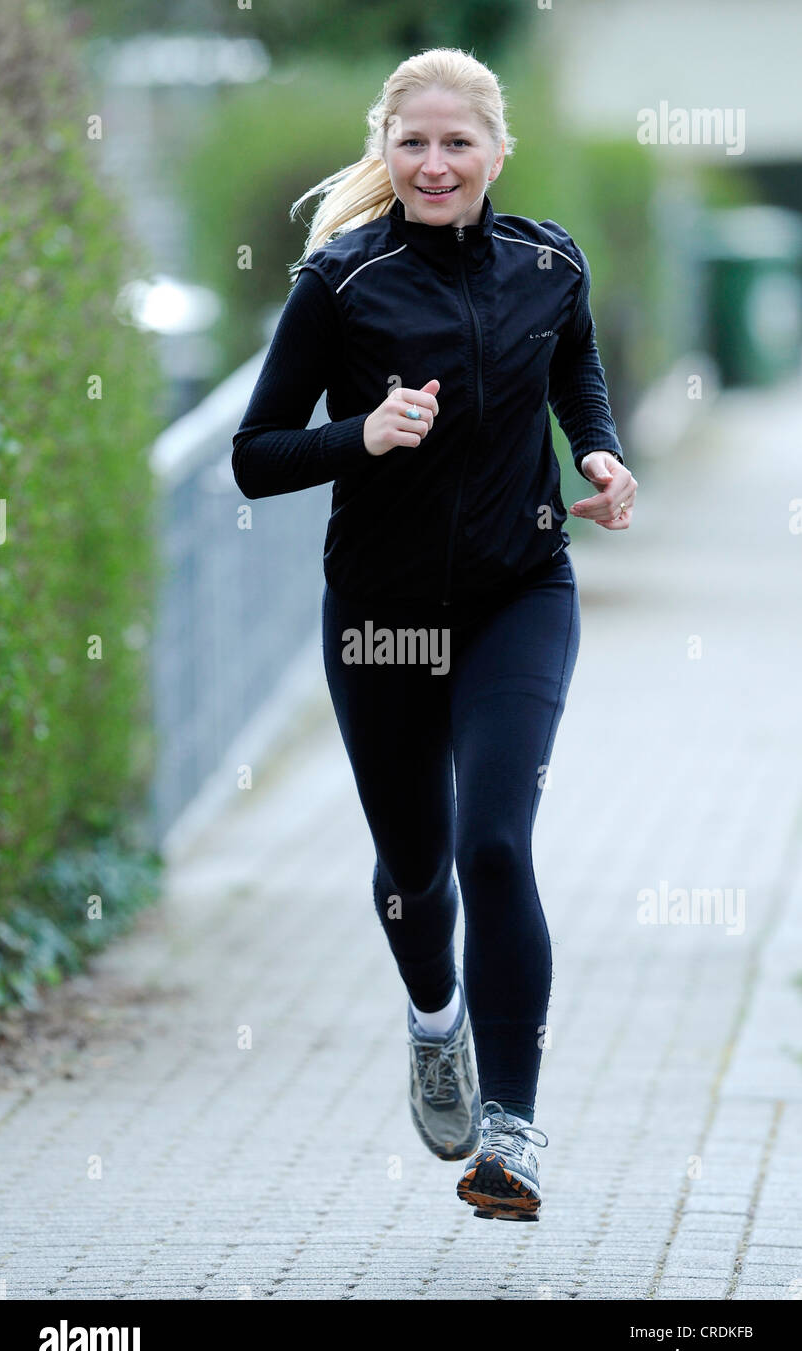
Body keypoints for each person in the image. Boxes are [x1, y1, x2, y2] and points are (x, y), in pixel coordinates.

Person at [232, 47, 637, 1222]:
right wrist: (360, 434)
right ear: (386, 150)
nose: (435, 162)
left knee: (493, 844)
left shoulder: (550, 263)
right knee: (415, 870)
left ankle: (509, 1133)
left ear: (497, 151)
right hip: (383, 617)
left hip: (520, 592)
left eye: (458, 141)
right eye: (412, 142)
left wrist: (599, 452)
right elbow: (255, 456)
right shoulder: (340, 283)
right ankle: (431, 1020)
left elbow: (575, 371)